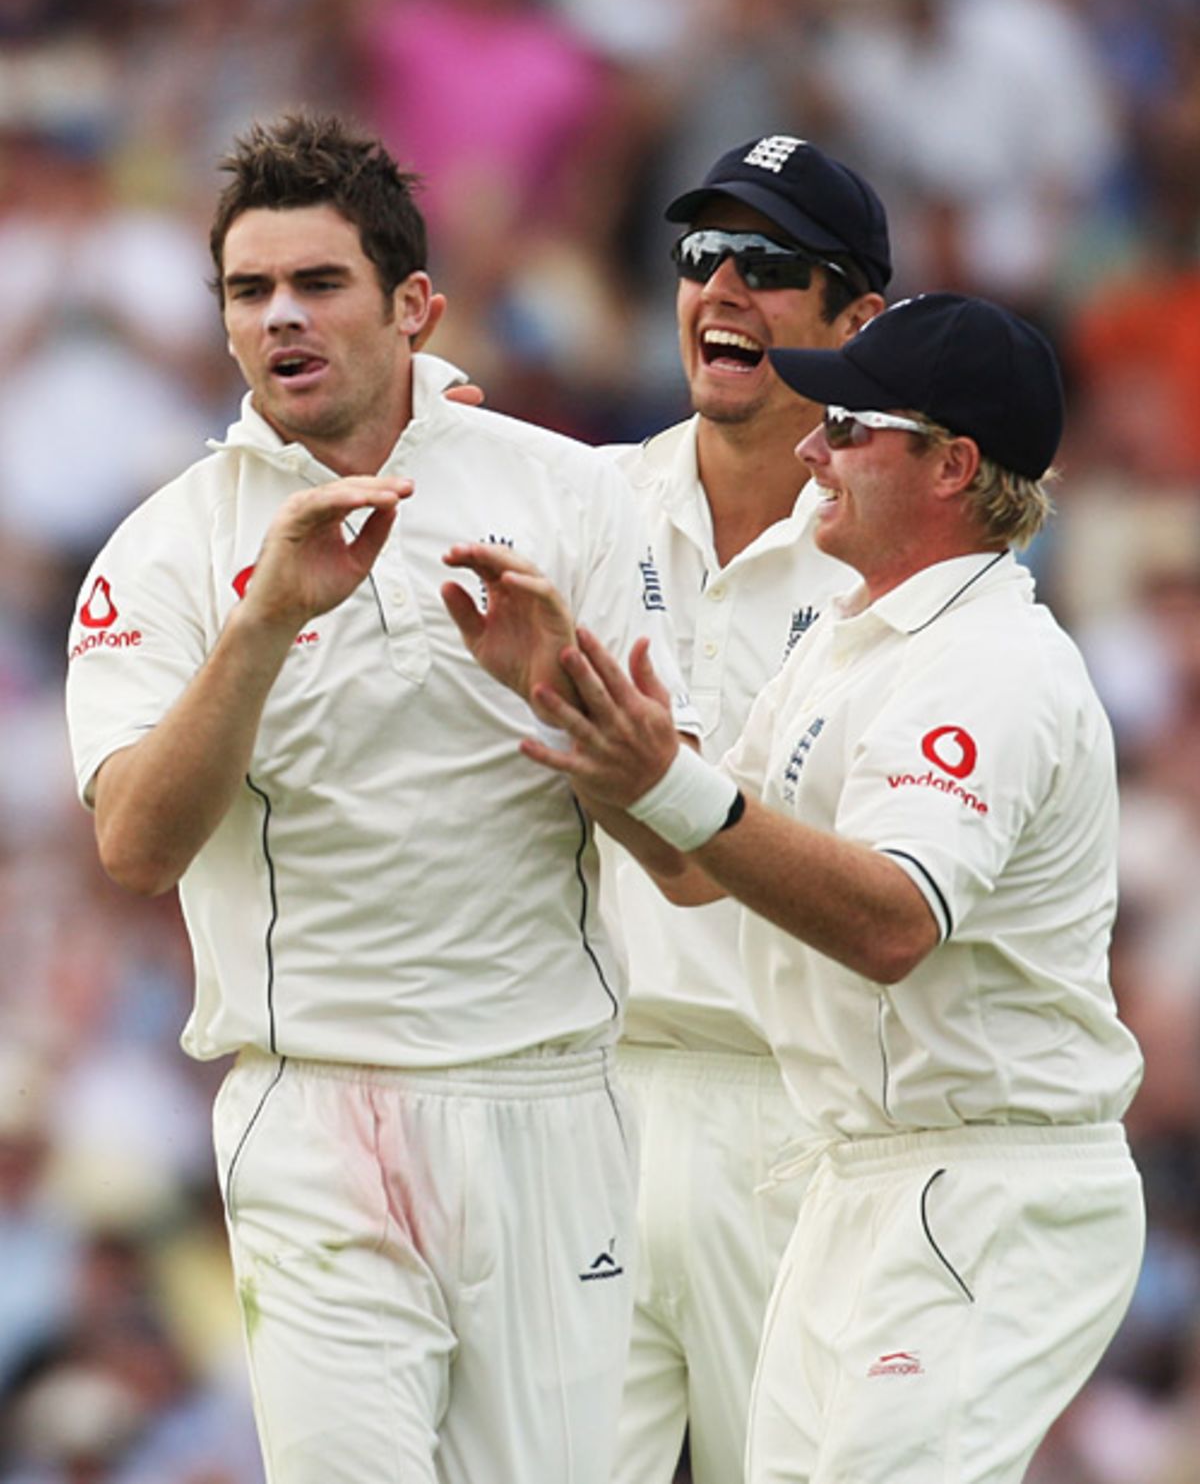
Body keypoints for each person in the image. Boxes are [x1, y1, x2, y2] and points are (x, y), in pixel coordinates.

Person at [63, 109, 700, 1484]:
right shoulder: (173, 543)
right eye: (249, 291)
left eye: (318, 283)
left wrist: (563, 699)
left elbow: (688, 858)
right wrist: (259, 629)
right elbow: (134, 844)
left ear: (415, 305)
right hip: (317, 1113)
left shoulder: (572, 498)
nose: (282, 318)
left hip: (549, 1103)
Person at [463, 292, 1147, 1482]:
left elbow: (890, 922)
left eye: (849, 423)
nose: (809, 449)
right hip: (857, 1171)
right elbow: (690, 865)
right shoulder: (849, 636)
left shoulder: (989, 665)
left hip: (988, 1179)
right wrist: (564, 699)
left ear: (955, 465)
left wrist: (670, 785)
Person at [597, 134, 889, 1484]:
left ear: (858, 321)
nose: (723, 287)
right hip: (588, 1100)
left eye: (771, 267)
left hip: (792, 1115)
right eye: (702, 257)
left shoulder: (899, 564)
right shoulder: (588, 503)